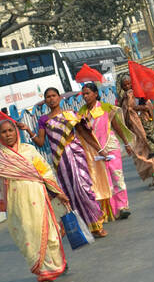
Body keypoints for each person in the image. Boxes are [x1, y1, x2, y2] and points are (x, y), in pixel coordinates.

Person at [0, 117, 68, 282]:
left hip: (38, 196)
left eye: (10, 130)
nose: (8, 134)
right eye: (4, 132)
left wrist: (58, 193)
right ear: (0, 136)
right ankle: (43, 275)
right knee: (28, 235)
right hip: (17, 204)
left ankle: (55, 265)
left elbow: (45, 172)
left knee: (49, 233)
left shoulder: (29, 150)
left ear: (16, 132)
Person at [32, 86, 108, 238]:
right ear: (45, 101)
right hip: (61, 161)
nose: (51, 99)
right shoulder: (44, 120)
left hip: (77, 155)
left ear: (59, 98)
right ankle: (82, 226)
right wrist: (28, 130)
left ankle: (96, 223)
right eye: (48, 97)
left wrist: (99, 149)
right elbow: (40, 142)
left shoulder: (71, 115)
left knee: (84, 187)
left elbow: (84, 134)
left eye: (54, 95)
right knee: (70, 192)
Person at [80, 82, 132, 219]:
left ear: (95, 94)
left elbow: (116, 126)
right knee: (103, 179)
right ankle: (111, 210)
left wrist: (126, 144)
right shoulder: (82, 113)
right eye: (83, 94)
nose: (85, 97)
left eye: (87, 93)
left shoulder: (106, 108)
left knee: (117, 176)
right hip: (94, 151)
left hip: (110, 146)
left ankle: (123, 206)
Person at [116, 74, 154, 189]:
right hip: (134, 129)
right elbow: (123, 113)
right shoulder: (123, 98)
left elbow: (146, 107)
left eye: (129, 83)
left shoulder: (139, 94)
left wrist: (134, 108)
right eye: (125, 85)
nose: (127, 86)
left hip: (144, 126)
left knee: (150, 152)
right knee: (144, 154)